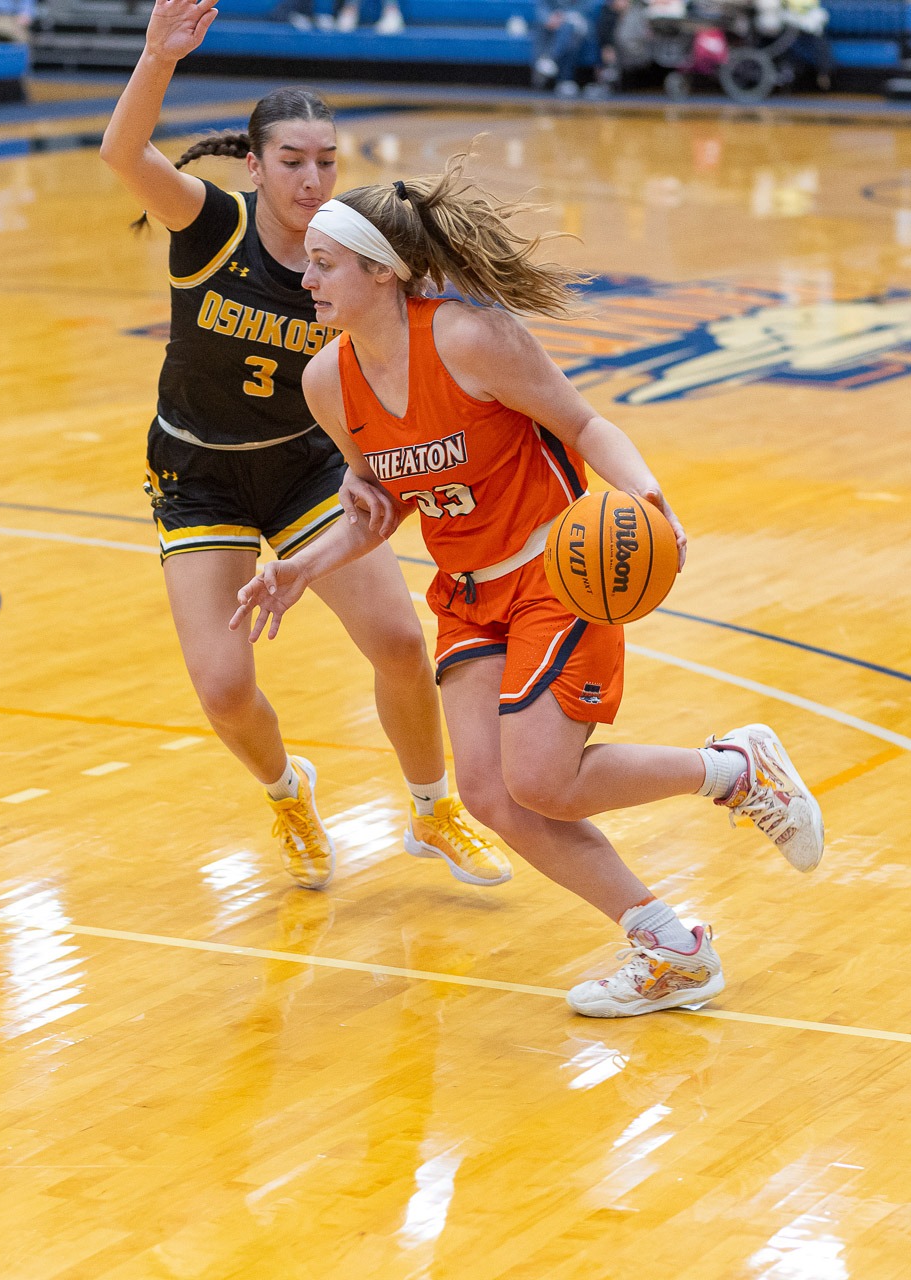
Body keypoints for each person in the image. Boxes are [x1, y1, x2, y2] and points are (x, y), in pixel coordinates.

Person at [231, 158, 826, 1017]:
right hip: (466, 589)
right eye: (307, 261)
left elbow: (582, 422)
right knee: (489, 794)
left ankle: (735, 771)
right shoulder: (328, 383)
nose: (306, 276)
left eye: (326, 262)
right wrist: (297, 570)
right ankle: (671, 949)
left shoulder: (469, 338)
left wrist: (647, 498)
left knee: (542, 778)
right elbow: (379, 511)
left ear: (381, 271)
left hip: (558, 569)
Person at [98, 0, 507, 893]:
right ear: (255, 165)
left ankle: (433, 811)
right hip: (198, 474)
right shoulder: (212, 225)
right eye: (292, 161)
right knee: (223, 689)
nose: (314, 179)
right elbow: (122, 155)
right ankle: (288, 793)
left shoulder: (356, 252)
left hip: (307, 465)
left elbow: (414, 347)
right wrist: (157, 56)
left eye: (327, 161)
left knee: (401, 643)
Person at [532, 0, 590, 96]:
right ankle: (562, 77)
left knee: (569, 30)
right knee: (543, 28)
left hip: (576, 27)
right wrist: (549, 19)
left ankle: (549, 60)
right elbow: (541, 8)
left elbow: (585, 10)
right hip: (553, 26)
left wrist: (564, 17)